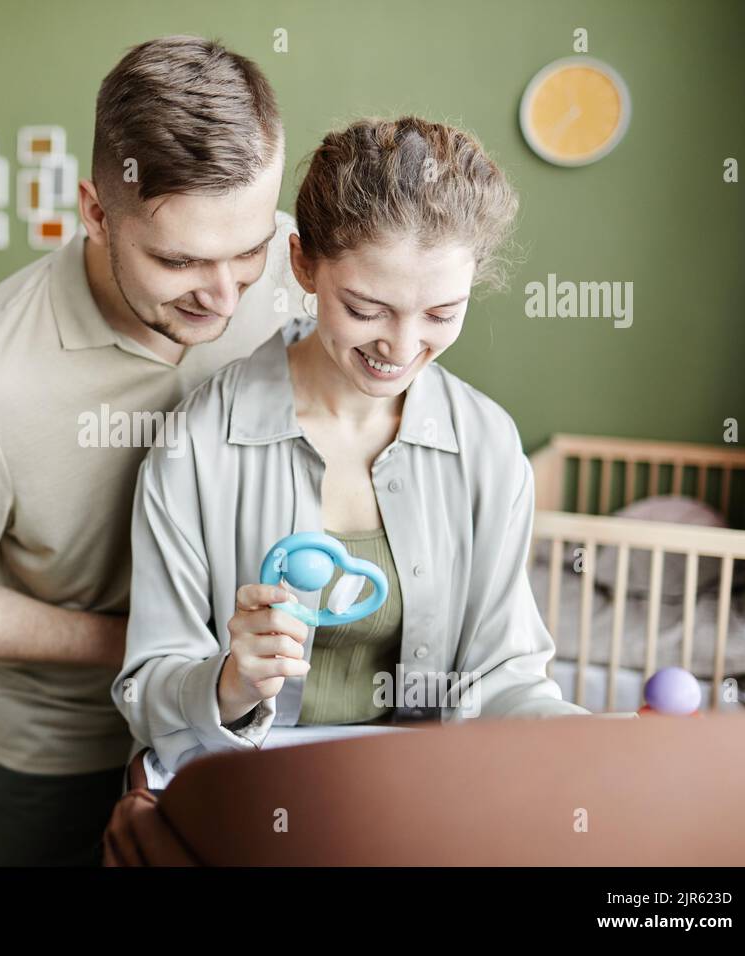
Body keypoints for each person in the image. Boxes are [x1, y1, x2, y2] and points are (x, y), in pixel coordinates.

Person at [0, 35, 305, 865]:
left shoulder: (293, 272)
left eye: (247, 249)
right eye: (180, 260)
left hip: (248, 728)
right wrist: (140, 645)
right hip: (63, 755)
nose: (224, 296)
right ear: (96, 211)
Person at [115, 116, 590, 778]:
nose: (400, 348)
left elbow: (504, 679)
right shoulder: (198, 442)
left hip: (417, 790)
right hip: (242, 782)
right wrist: (231, 683)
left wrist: (586, 740)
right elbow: (146, 687)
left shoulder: (485, 444)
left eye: (441, 314)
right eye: (367, 308)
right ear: (304, 263)